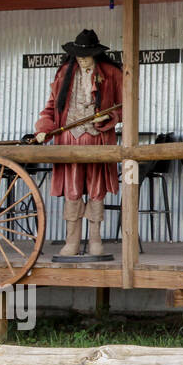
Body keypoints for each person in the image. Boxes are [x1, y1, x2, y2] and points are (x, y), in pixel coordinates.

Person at [33, 30, 123, 257]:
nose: (82, 59)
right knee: (72, 191)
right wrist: (44, 129)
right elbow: (51, 107)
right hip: (68, 140)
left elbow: (125, 107)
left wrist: (110, 117)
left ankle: (95, 241)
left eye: (87, 54)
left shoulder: (112, 73)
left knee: (96, 190)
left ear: (96, 54)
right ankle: (71, 241)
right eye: (79, 55)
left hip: (98, 141)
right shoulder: (64, 73)